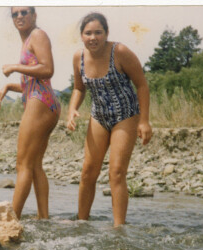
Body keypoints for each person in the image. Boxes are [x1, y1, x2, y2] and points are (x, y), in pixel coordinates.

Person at [65, 12, 153, 226]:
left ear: (106, 33)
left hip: (126, 115)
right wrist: (71, 110)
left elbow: (142, 84)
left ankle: (118, 228)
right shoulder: (79, 57)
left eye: (98, 32)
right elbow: (78, 88)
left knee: (116, 172)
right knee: (87, 172)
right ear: (81, 35)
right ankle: (82, 222)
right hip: (99, 116)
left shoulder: (119, 52)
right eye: (88, 33)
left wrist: (144, 121)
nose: (93, 37)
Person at [0, 6, 59, 220]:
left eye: (24, 12)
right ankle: (44, 218)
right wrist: (9, 87)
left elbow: (47, 69)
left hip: (40, 101)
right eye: (15, 14)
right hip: (45, 100)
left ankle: (11, 220)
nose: (19, 17)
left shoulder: (37, 35)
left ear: (34, 15)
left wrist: (14, 67)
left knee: (22, 164)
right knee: (35, 165)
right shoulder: (27, 40)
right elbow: (33, 80)